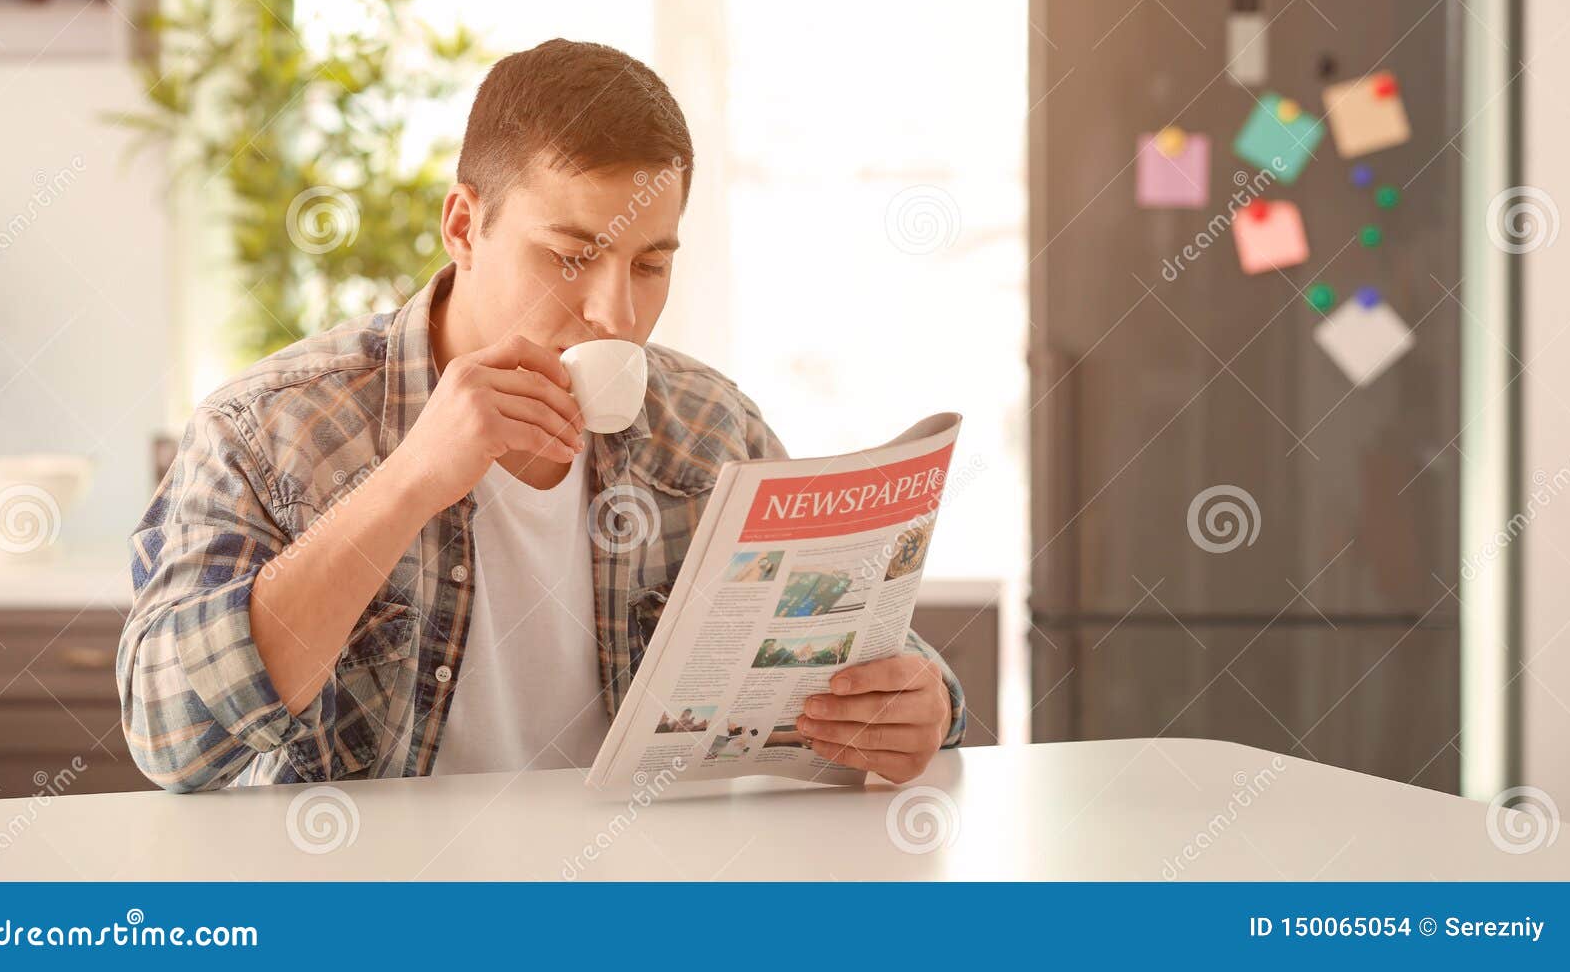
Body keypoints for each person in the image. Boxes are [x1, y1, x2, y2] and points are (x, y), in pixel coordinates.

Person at [118, 39, 966, 793]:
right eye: (571, 257)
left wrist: (919, 702)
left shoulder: (707, 427)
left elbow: (840, 644)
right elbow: (169, 736)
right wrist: (411, 480)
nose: (616, 313)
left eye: (650, 264)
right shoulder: (267, 427)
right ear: (463, 224)